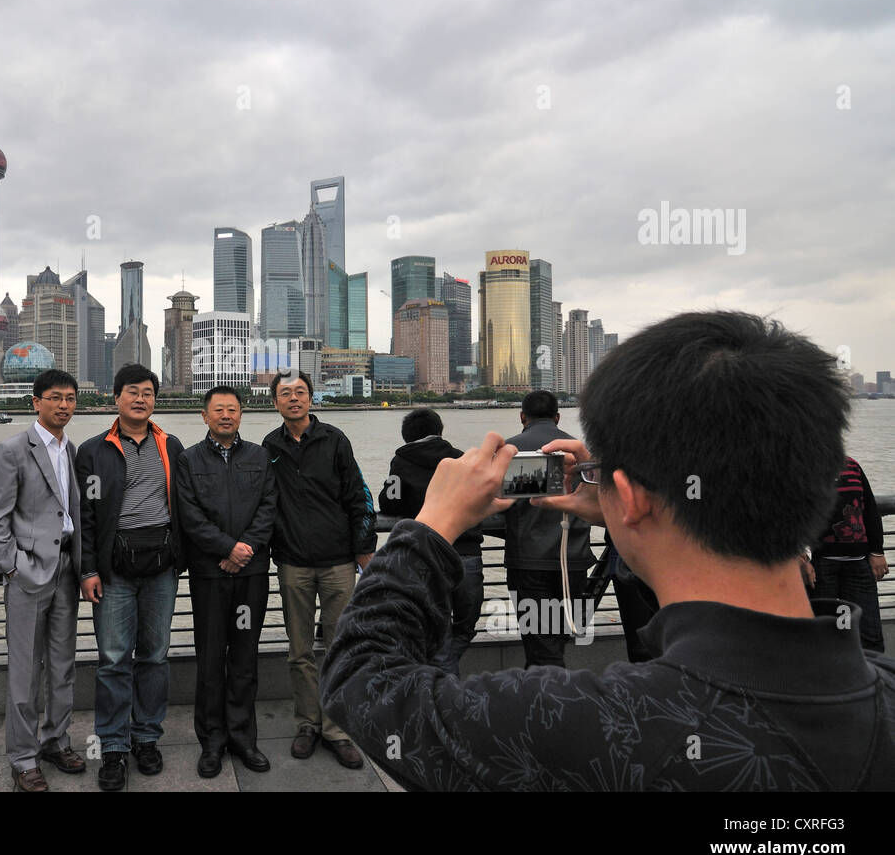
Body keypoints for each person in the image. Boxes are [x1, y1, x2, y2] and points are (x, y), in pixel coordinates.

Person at [321, 311, 895, 790]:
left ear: (629, 496)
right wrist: (629, 506)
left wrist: (433, 525)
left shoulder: (581, 723)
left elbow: (360, 680)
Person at [75, 363, 184, 791]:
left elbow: (186, 506)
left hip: (161, 569)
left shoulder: (170, 446)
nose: (141, 399)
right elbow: (85, 515)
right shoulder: (94, 450)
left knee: (155, 656)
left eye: (148, 393)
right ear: (115, 397)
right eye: (133, 392)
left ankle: (146, 737)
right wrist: (88, 569)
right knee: (114, 661)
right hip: (114, 571)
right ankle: (114, 747)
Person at [263, 370, 375, 769]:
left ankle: (337, 729)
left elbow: (360, 496)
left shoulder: (335, 440)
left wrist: (363, 550)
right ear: (275, 402)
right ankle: (307, 724)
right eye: (285, 394)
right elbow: (265, 504)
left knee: (339, 648)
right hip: (292, 562)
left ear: (311, 399)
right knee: (299, 651)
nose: (293, 399)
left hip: (338, 563)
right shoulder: (270, 446)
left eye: (300, 392)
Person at [0, 369, 86, 792]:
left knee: (62, 667)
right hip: (27, 573)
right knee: (25, 671)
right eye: (56, 397)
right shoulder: (11, 450)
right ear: (36, 402)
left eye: (71, 398)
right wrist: (11, 567)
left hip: (66, 570)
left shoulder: (71, 450)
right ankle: (23, 758)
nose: (64, 405)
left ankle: (55, 741)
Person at [177, 386, 277, 778]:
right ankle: (212, 742)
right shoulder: (188, 460)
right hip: (210, 574)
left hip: (250, 574)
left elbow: (269, 506)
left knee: (244, 657)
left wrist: (245, 548)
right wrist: (225, 548)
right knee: (210, 658)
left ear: (241, 415)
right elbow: (189, 515)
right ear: (204, 416)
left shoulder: (260, 456)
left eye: (232, 410)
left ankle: (243, 738)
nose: (225, 415)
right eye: (217, 409)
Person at [378, 407, 485, 671]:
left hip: (425, 554)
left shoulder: (401, 462)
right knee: (466, 625)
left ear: (406, 436)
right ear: (440, 431)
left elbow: (390, 502)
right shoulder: (462, 460)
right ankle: (444, 672)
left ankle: (439, 673)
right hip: (467, 552)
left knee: (432, 627)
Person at [495, 390, 595, 668]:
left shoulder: (509, 451)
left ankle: (550, 701)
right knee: (558, 640)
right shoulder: (579, 452)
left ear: (522, 417)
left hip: (528, 562)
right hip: (573, 561)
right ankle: (550, 697)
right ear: (558, 416)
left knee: (540, 645)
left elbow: (498, 505)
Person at [804, 456, 888, 652]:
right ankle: (828, 679)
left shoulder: (853, 466)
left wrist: (877, 551)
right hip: (821, 567)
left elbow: (870, 511)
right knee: (822, 635)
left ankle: (873, 678)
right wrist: (802, 558)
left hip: (859, 564)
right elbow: (793, 518)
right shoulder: (804, 470)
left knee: (870, 636)